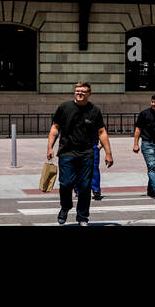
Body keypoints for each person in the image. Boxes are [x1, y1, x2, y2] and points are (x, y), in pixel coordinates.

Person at [47, 82, 112, 225]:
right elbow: (55, 127)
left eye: (83, 91)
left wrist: (108, 153)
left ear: (89, 93)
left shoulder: (94, 111)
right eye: (77, 91)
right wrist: (50, 147)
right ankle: (65, 206)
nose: (79, 93)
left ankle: (82, 217)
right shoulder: (64, 108)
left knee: (84, 187)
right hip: (66, 152)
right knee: (65, 183)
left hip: (87, 153)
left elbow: (102, 132)